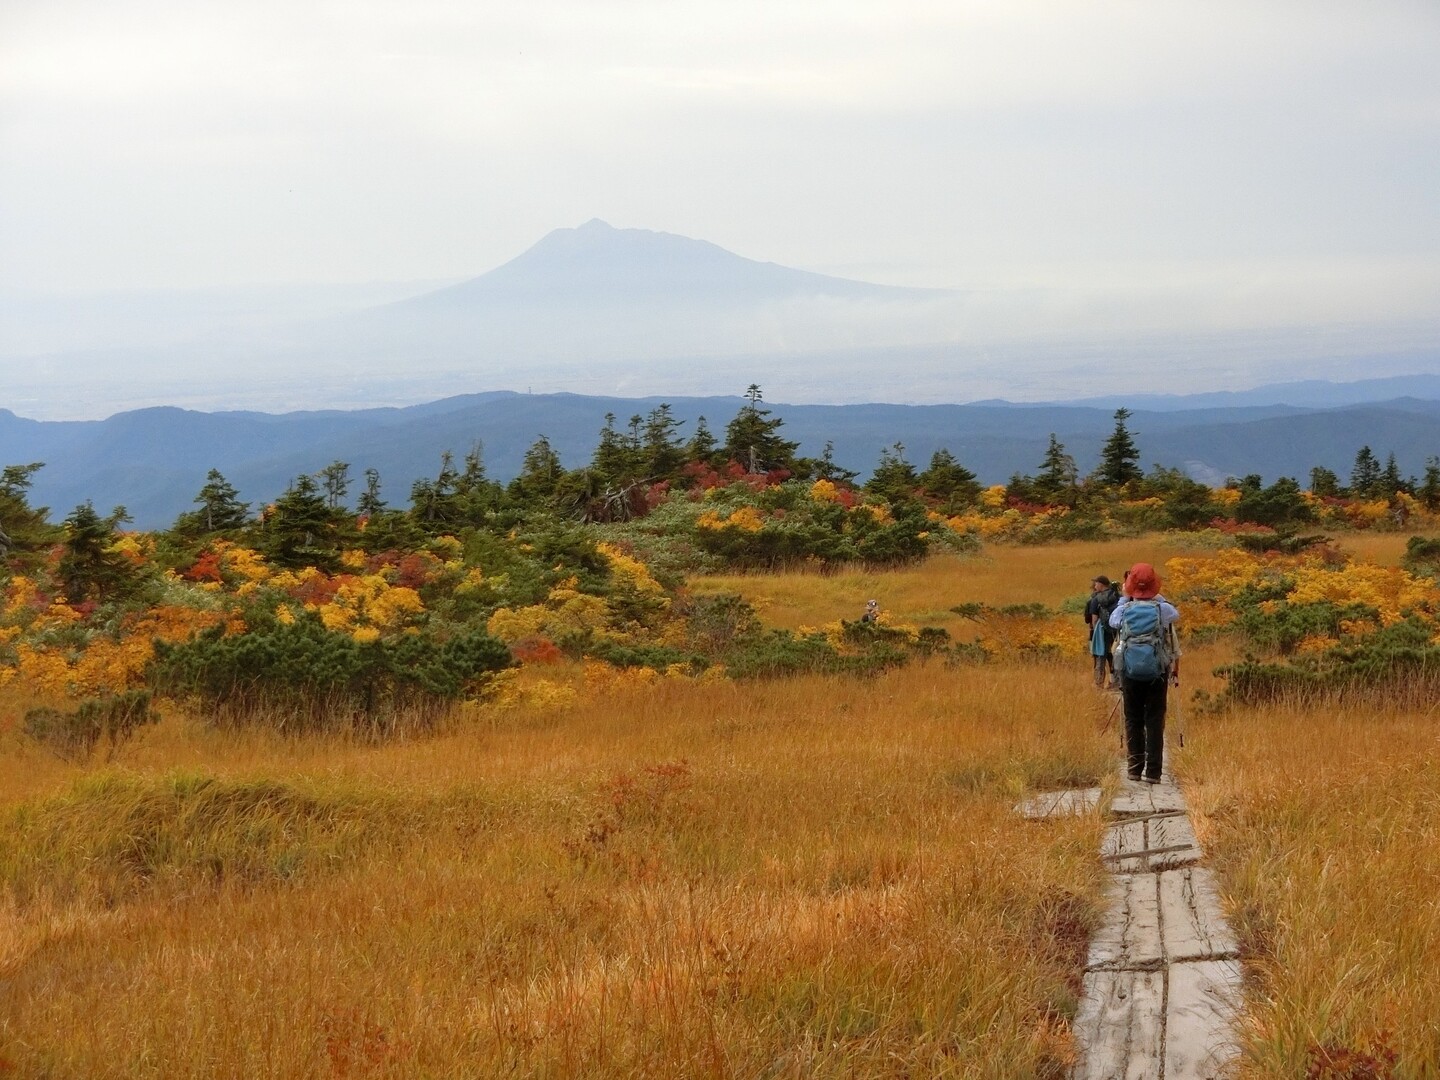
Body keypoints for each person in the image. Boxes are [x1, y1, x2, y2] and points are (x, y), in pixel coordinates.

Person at [1109, 562, 1180, 784]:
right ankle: (1153, 772)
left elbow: (1113, 621)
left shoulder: (1123, 610)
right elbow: (1174, 614)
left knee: (1133, 718)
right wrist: (1158, 598)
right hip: (1157, 671)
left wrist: (1124, 598)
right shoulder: (1163, 609)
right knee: (1155, 719)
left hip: (1130, 671)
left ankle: (1134, 768)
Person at [1084, 575, 1121, 688]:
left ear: (1101, 584)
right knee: (1116, 655)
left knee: (1100, 656)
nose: (1095, 586)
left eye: (1096, 583)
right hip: (1116, 631)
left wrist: (1095, 632)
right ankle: (1116, 682)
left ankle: (1099, 683)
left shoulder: (1096, 599)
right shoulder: (1117, 596)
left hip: (1102, 631)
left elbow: (1094, 619)